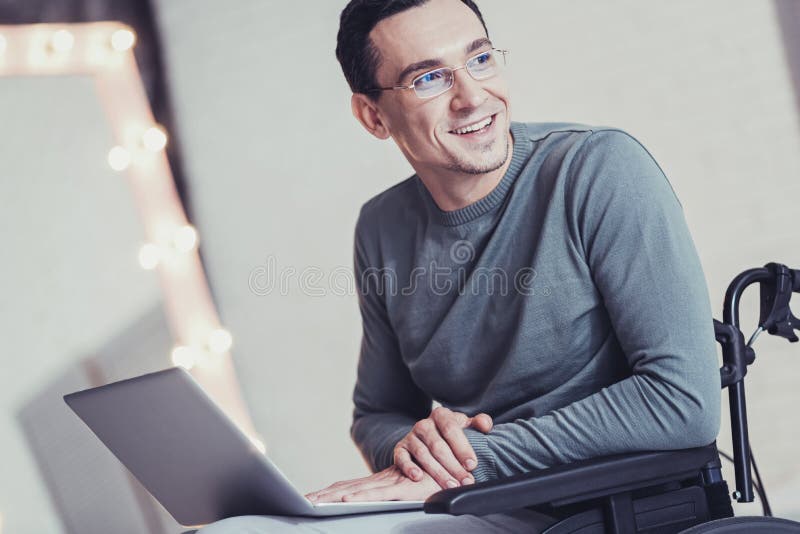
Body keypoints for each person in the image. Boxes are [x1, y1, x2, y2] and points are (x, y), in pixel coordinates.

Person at [199, 0, 720, 531]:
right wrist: (414, 447)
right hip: (476, 503)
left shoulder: (599, 170)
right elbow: (377, 414)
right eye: (428, 78)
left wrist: (465, 458)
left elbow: (682, 400)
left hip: (597, 505)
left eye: (480, 59)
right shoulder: (381, 229)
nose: (472, 97)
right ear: (372, 115)